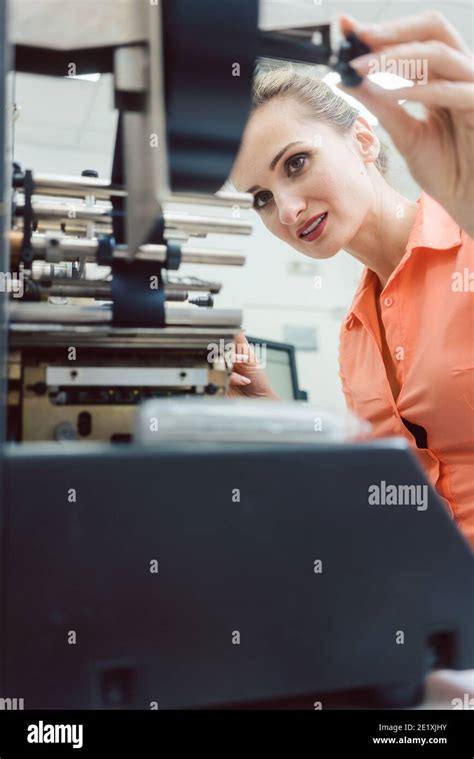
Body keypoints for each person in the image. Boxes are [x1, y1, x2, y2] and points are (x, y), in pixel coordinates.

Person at [229, 11, 474, 548]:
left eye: (295, 163)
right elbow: (378, 494)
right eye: (262, 198)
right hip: (428, 608)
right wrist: (275, 422)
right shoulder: (355, 336)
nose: (287, 211)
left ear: (363, 141)